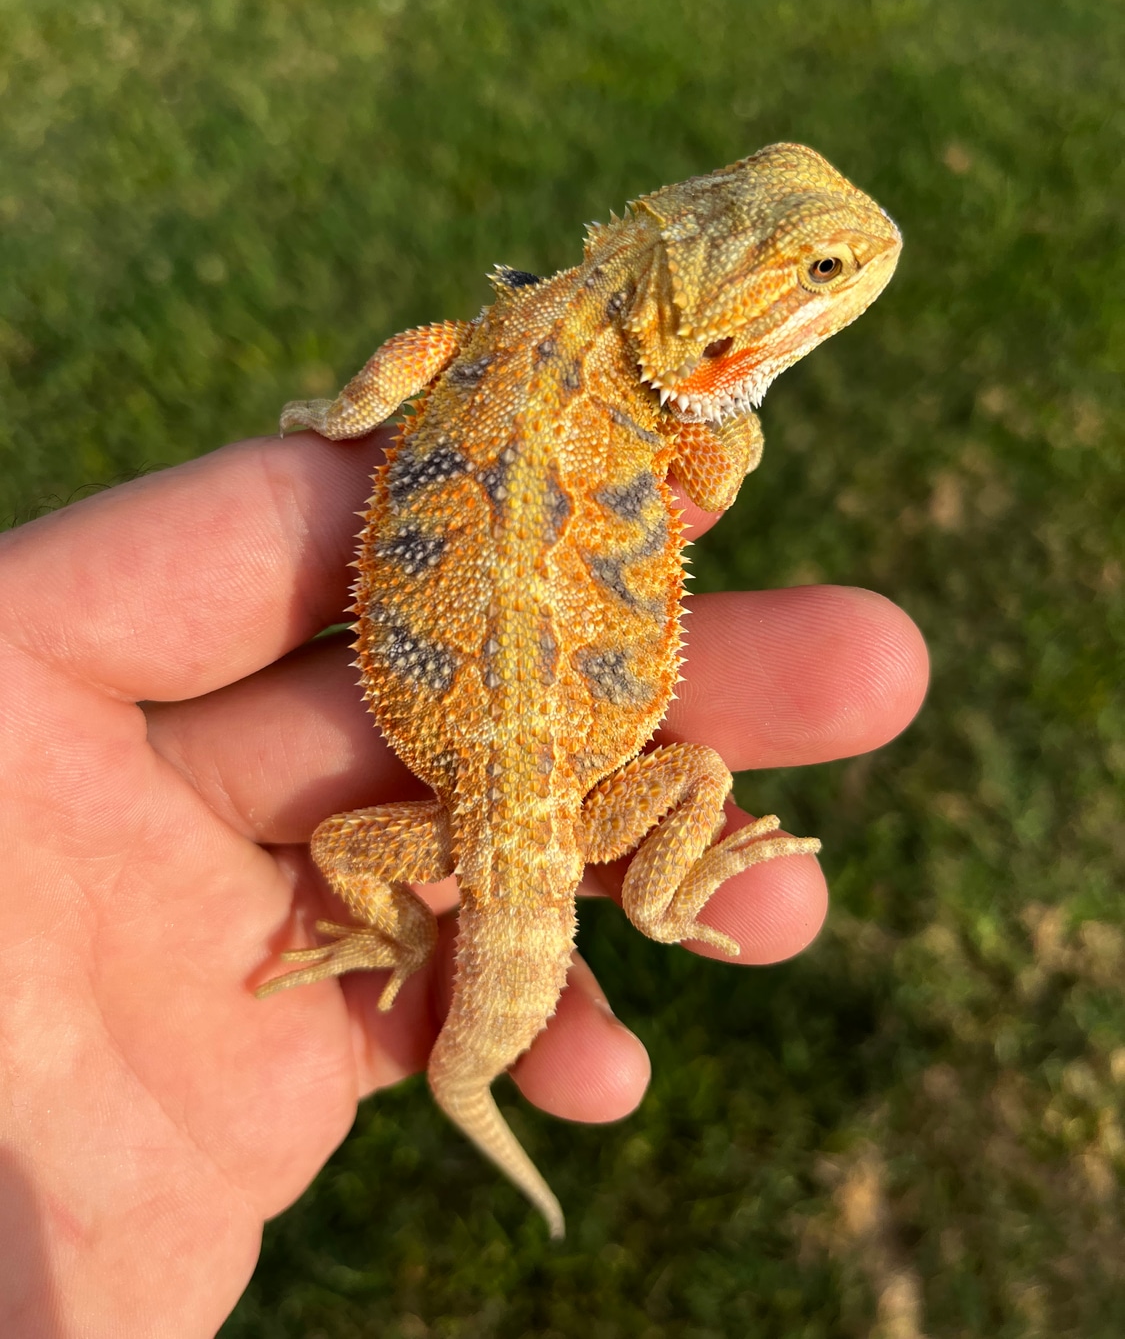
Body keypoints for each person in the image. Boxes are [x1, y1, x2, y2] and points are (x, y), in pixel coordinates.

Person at [0, 429, 928, 1336]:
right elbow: (722, 462)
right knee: (697, 777)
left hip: (501, 806)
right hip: (549, 801)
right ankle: (655, 901)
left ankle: (481, 932)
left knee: (356, 847)